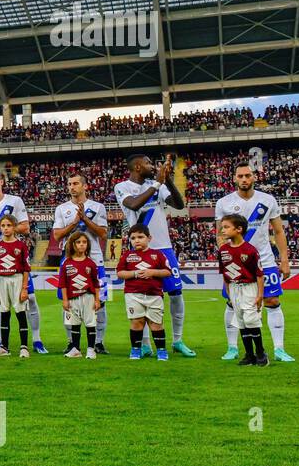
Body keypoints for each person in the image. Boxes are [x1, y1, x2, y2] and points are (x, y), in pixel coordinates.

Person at [114, 153, 194, 357]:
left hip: (164, 248)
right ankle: (146, 344)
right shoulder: (122, 187)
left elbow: (179, 205)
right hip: (139, 250)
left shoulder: (157, 184)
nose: (152, 166)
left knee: (176, 294)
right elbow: (133, 205)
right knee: (143, 296)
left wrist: (166, 179)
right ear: (137, 167)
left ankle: (177, 340)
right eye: (148, 163)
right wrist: (157, 184)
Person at [214, 163, 293, 361]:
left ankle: (279, 349)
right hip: (235, 264)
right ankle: (232, 348)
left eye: (247, 175)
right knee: (233, 303)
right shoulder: (224, 202)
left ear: (254, 177)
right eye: (240, 176)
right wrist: (226, 257)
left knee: (272, 301)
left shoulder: (267, 200)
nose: (244, 179)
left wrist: (284, 260)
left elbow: (279, 231)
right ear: (234, 178)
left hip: (264, 259)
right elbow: (220, 234)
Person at [0, 168, 47, 354]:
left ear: (2, 181)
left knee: (30, 298)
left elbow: (26, 227)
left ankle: (36, 340)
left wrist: (7, 229)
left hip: (15, 256)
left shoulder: (15, 201)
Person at [52, 174, 109, 354]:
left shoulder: (98, 207)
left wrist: (85, 219)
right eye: (69, 184)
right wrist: (75, 222)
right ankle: (71, 342)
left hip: (95, 261)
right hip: (70, 262)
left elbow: (103, 233)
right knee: (68, 301)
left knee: (101, 302)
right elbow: (57, 235)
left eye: (75, 183)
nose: (72, 187)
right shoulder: (62, 209)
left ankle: (98, 342)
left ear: (85, 186)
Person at [216, 214, 267, 366]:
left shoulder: (250, 250)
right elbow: (225, 274)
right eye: (222, 227)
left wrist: (260, 295)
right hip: (234, 288)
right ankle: (249, 355)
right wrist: (230, 294)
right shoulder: (223, 250)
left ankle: (261, 353)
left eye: (226, 227)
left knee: (251, 320)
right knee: (241, 322)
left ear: (239, 229)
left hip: (249, 287)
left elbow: (259, 275)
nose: (222, 230)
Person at [117, 223, 172, 361]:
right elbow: (120, 273)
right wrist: (135, 273)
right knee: (137, 321)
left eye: (140, 237)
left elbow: (167, 272)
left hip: (154, 294)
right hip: (133, 294)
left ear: (149, 238)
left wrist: (152, 272)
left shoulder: (158, 255)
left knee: (156, 323)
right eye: (133, 238)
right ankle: (136, 350)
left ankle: (161, 351)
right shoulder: (127, 255)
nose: (137, 240)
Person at [0, 215, 31, 358]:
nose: (6, 228)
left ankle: (24, 347)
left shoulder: (21, 246)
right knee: (4, 314)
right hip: (1, 281)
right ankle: (4, 347)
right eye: (3, 226)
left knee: (20, 313)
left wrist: (24, 288)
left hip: (16, 279)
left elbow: (26, 269)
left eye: (9, 225)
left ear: (14, 227)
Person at [58, 231, 101, 359]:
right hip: (72, 298)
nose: (81, 245)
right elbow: (63, 284)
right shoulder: (66, 263)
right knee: (74, 324)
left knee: (90, 323)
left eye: (84, 242)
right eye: (78, 242)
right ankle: (76, 349)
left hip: (88, 297)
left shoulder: (91, 264)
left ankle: (91, 349)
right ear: (72, 245)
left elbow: (96, 284)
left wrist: (97, 300)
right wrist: (65, 300)